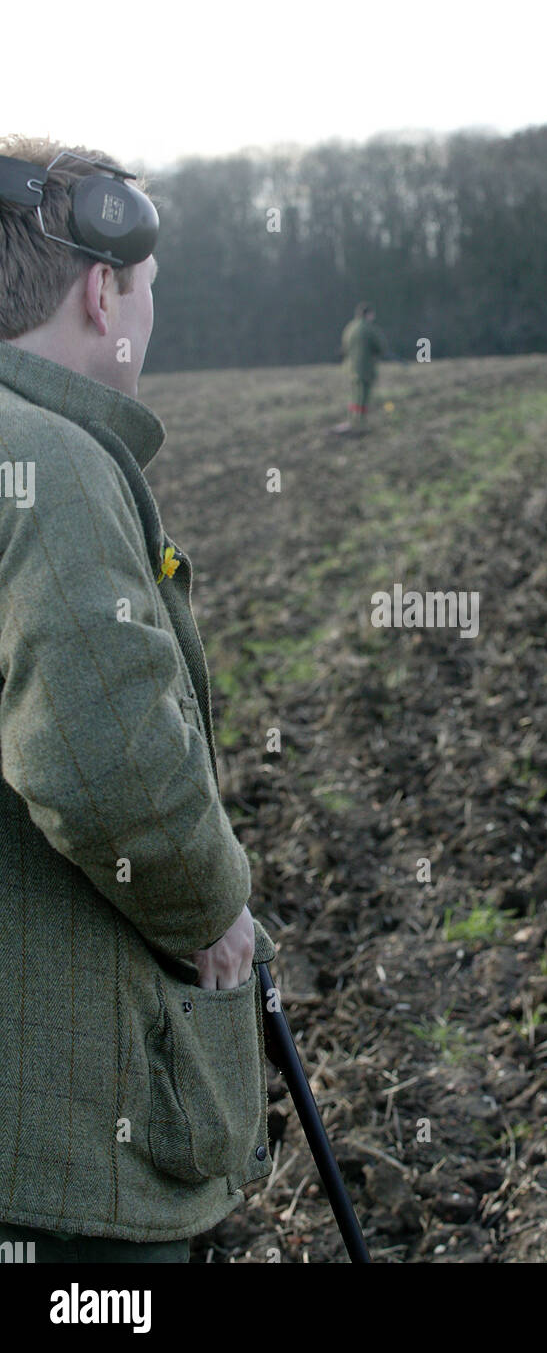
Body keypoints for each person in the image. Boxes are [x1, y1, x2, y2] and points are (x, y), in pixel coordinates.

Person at [0, 137, 275, 1263]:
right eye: (147, 288)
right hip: (54, 1152)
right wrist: (213, 913)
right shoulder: (47, 466)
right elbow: (108, 766)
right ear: (102, 286)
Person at [336, 301, 390, 432]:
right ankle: (360, 423)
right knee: (363, 395)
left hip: (351, 367)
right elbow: (381, 347)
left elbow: (344, 348)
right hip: (365, 368)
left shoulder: (350, 328)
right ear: (368, 314)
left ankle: (353, 420)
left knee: (355, 394)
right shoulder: (369, 328)